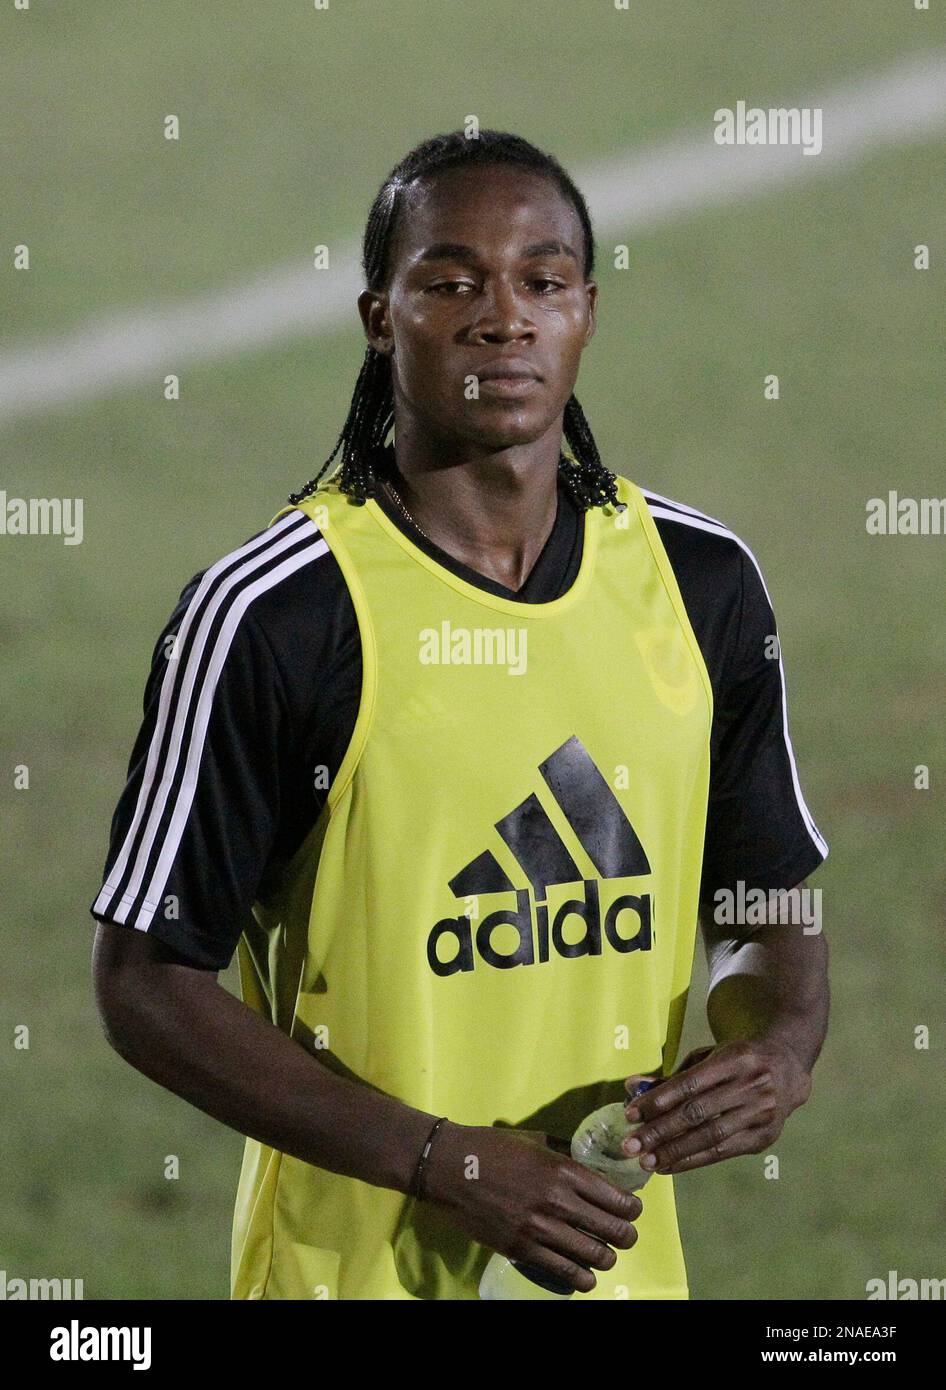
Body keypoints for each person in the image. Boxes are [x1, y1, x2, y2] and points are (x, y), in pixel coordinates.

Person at [90, 129, 829, 1301]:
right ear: (380, 318)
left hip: (620, 1279)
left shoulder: (701, 584)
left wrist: (776, 1045)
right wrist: (444, 1161)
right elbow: (144, 978)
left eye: (541, 282)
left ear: (587, 310)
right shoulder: (277, 613)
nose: (502, 318)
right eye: (449, 283)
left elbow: (760, 890)